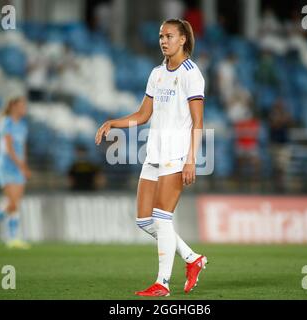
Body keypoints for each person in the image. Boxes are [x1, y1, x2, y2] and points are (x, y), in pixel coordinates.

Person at [95, 19, 207, 297]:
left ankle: (163, 283)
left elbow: (198, 122)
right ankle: (192, 258)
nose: (163, 40)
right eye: (160, 36)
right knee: (145, 221)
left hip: (177, 152)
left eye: (169, 35)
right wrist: (114, 123)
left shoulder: (191, 74)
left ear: (183, 40)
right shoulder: (157, 73)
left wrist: (191, 159)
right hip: (155, 151)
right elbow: (143, 115)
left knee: (162, 217)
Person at [0, 97, 31, 249]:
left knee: (14, 203)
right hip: (5, 166)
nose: (25, 108)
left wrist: (24, 164)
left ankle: (10, 237)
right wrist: (21, 166)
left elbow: (22, 148)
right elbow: (8, 148)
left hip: (18, 166)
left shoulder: (23, 126)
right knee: (11, 202)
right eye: (22, 105)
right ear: (13, 106)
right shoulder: (6, 122)